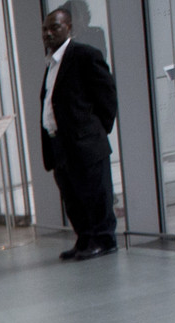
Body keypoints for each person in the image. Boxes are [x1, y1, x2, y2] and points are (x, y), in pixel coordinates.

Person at [40, 6, 119, 261]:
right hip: (60, 143)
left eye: (55, 28)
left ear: (69, 28)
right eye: (45, 29)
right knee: (73, 197)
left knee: (95, 194)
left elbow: (106, 97)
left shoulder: (85, 55)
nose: (48, 33)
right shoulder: (51, 63)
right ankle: (85, 238)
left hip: (85, 143)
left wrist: (94, 132)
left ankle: (104, 240)